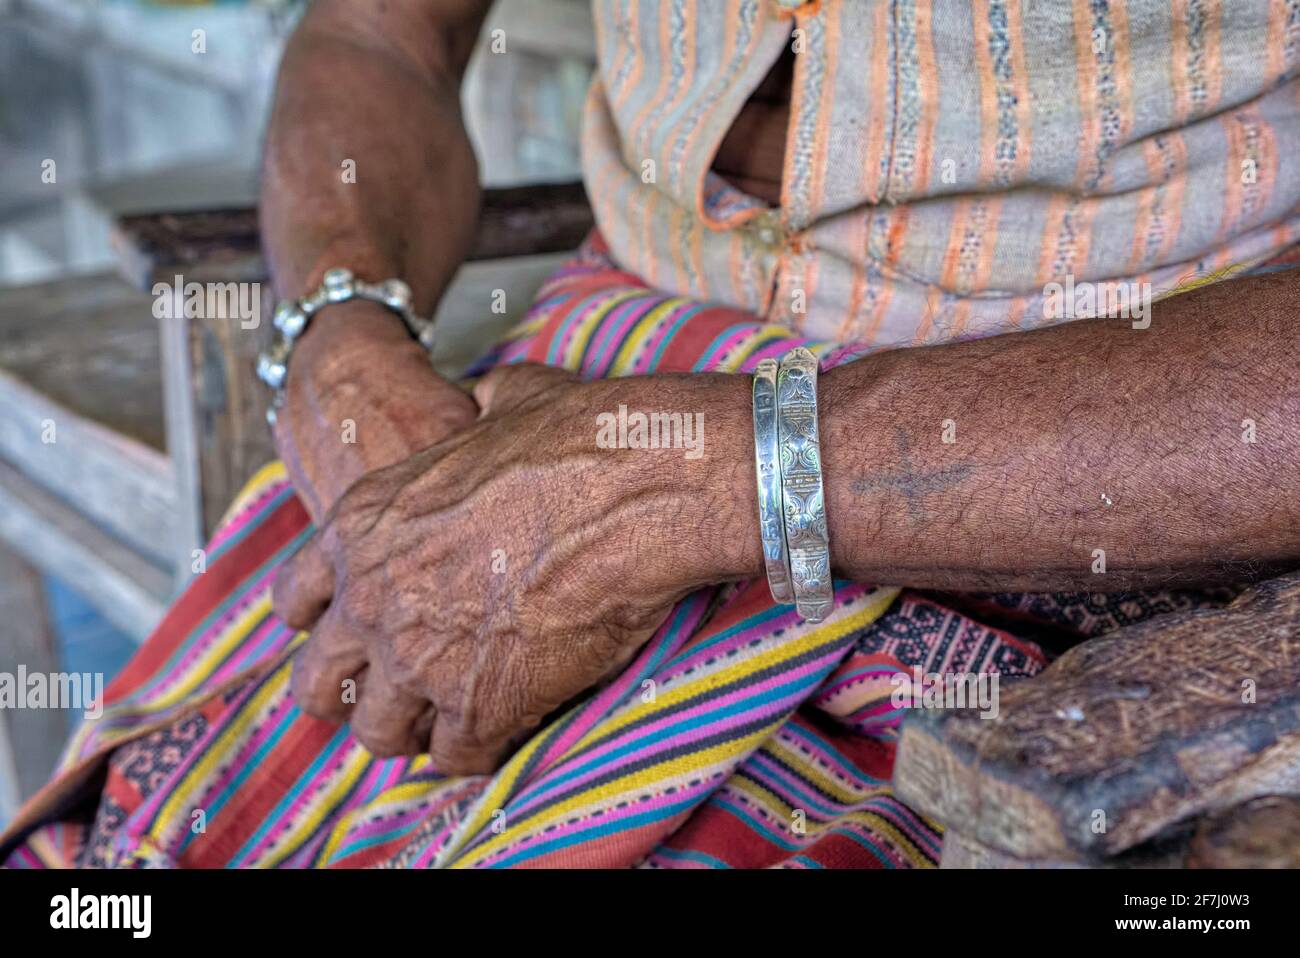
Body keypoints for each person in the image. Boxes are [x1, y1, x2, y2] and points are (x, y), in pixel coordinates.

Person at [3, 0, 1298, 869]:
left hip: (1104, 455)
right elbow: (378, 35)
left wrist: (687, 484)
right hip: (576, 389)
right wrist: (344, 333)